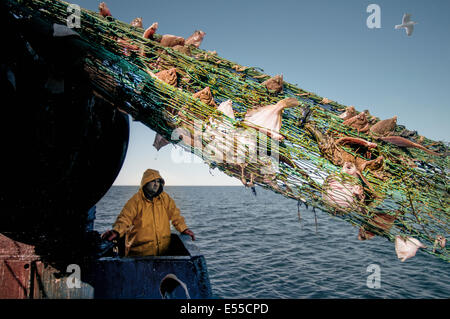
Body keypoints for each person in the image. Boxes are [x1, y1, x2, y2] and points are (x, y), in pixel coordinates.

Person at [101, 169, 195, 256]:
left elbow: (175, 215)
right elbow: (125, 218)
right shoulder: (135, 200)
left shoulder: (165, 198)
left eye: (158, 181)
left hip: (163, 252)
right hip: (140, 255)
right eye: (153, 181)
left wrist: (183, 229)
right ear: (145, 182)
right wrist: (117, 231)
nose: (156, 184)